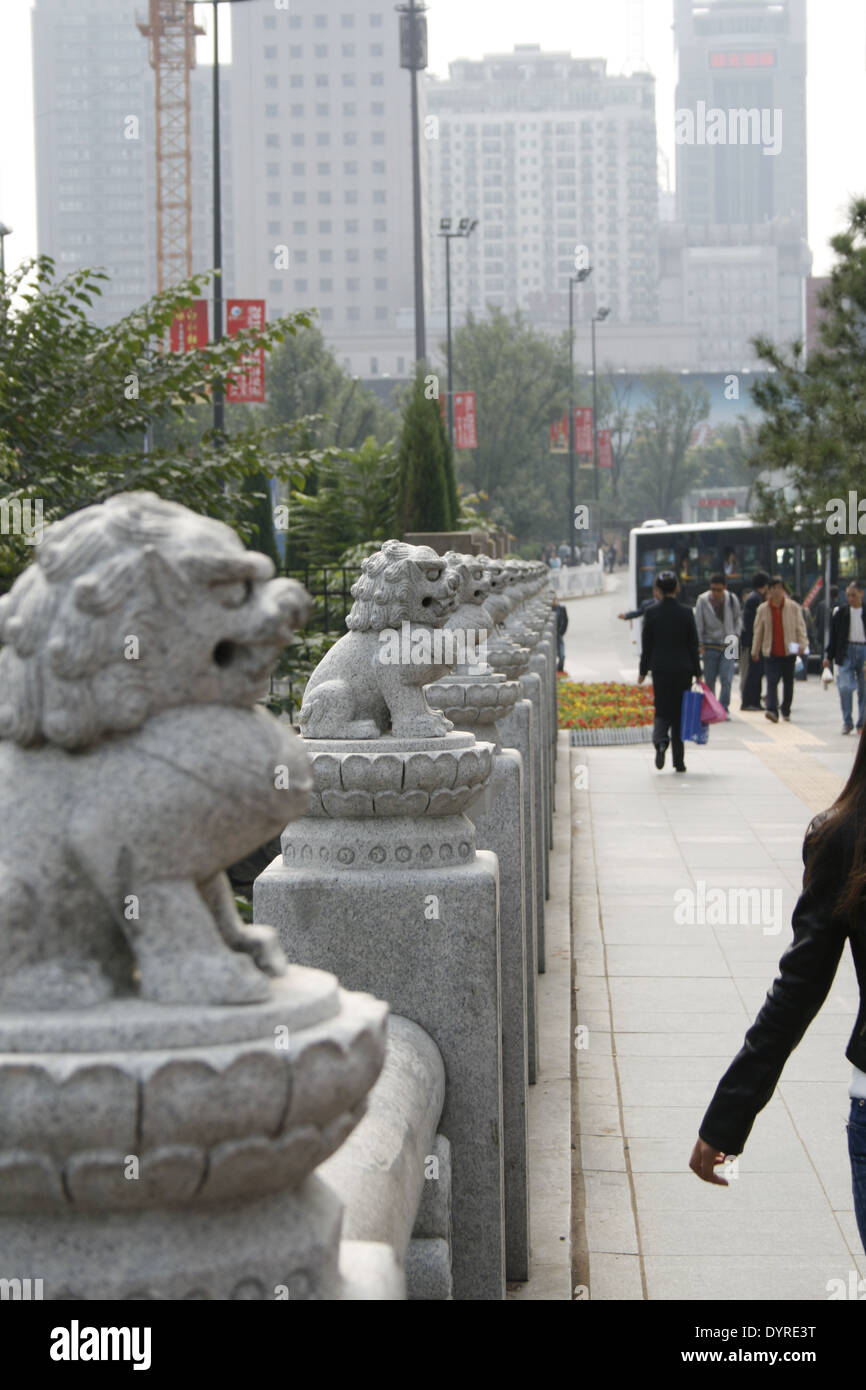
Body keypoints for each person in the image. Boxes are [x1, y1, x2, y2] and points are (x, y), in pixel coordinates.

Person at [689, 750, 866, 1256]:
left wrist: (728, 1114)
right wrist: (730, 1111)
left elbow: (798, 989)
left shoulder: (845, 834)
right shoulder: (846, 839)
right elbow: (799, 988)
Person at [638, 571, 701, 774]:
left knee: (662, 708)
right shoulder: (686, 612)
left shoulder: (651, 613)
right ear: (677, 588)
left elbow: (647, 646)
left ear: (658, 589)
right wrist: (698, 671)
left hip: (661, 670)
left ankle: (660, 743)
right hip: (683, 670)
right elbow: (693, 644)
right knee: (679, 714)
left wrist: (642, 670)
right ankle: (679, 761)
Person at [751, 576, 808, 724]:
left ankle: (786, 709)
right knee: (771, 681)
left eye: (780, 588)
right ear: (768, 591)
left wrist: (803, 644)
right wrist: (755, 650)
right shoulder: (763, 609)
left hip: (789, 651)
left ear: (783, 590)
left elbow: (800, 627)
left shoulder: (793, 607)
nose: (777, 591)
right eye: (774, 588)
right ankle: (772, 710)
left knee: (788, 682)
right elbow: (758, 631)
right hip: (770, 652)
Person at [694, 573, 741, 716]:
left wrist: (736, 634)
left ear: (725, 588)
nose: (716, 593)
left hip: (730, 642)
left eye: (719, 590)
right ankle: (711, 707)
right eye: (713, 589)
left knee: (727, 678)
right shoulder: (702, 600)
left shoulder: (732, 599)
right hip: (710, 643)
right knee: (710, 679)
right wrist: (699, 643)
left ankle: (724, 707)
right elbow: (698, 623)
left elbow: (738, 618)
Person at [824, 579, 866, 735]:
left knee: (864, 690)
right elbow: (834, 637)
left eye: (853, 595)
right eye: (848, 595)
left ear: (861, 593)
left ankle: (861, 723)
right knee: (845, 687)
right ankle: (847, 721)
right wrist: (829, 656)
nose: (850, 599)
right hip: (846, 651)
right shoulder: (840, 613)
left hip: (864, 650)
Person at [739, 571, 769, 710]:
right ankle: (748, 702)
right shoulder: (755, 600)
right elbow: (754, 625)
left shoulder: (754, 598)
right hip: (752, 643)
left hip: (754, 642)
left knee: (757, 673)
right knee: (753, 674)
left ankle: (755, 701)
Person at [553, 597, 569, 675]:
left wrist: (561, 632)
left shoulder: (561, 608)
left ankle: (560, 670)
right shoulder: (549, 609)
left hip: (558, 635)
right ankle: (556, 672)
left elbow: (565, 620)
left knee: (561, 655)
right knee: (552, 655)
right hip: (551, 636)